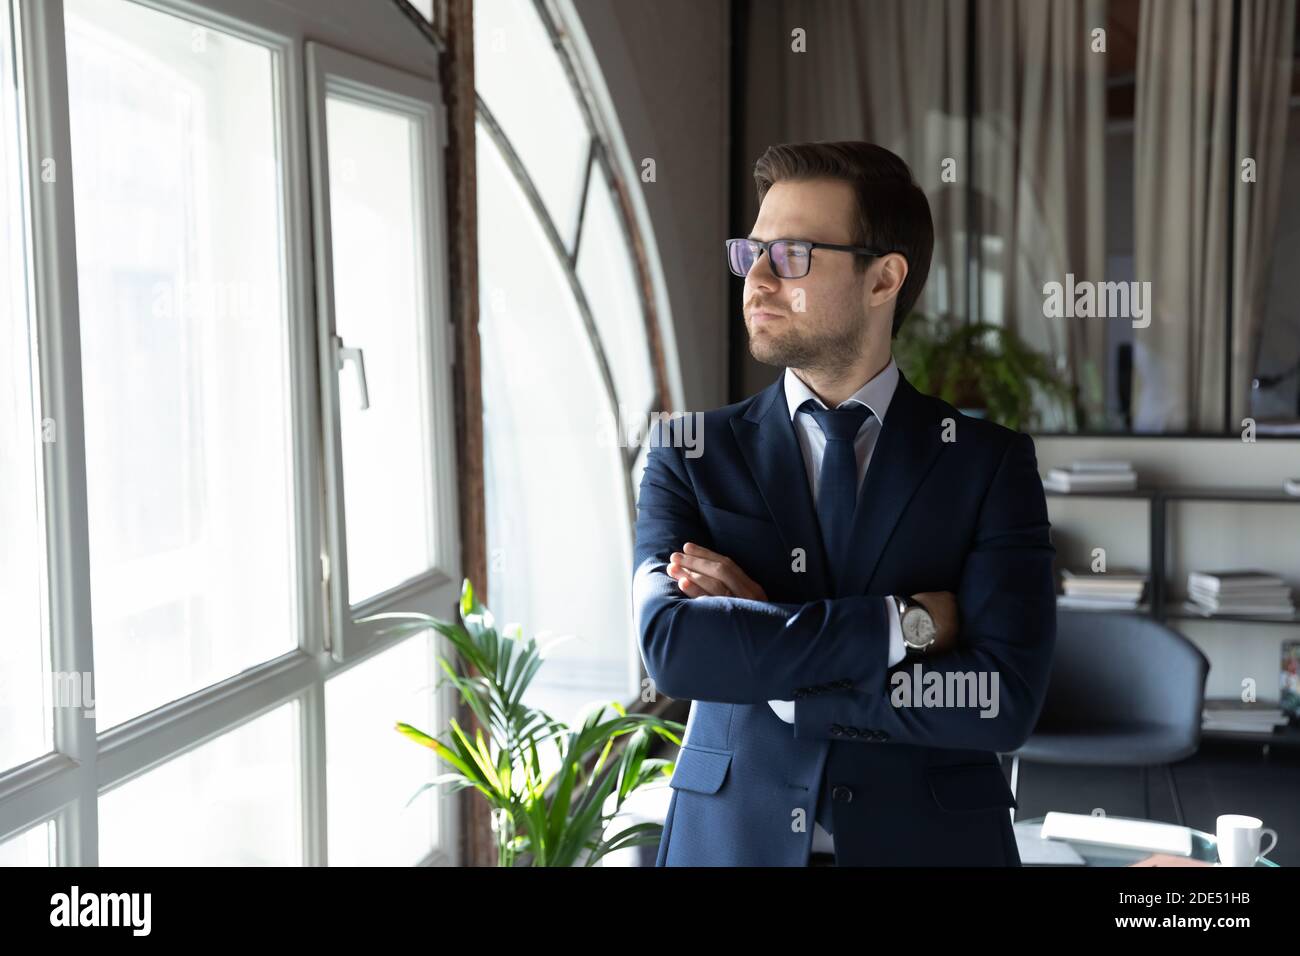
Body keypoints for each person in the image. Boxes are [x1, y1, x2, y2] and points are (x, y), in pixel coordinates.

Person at [632, 141, 1057, 866]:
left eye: (792, 255)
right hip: (730, 842)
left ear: (884, 278)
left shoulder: (987, 463)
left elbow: (998, 697)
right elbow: (675, 649)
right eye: (751, 252)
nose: (757, 280)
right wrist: (907, 625)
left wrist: (783, 669)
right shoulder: (687, 450)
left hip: (931, 847)